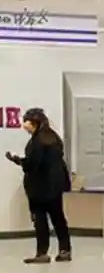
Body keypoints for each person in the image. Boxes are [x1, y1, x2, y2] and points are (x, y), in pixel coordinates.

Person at [5, 108, 72, 264]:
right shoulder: (53, 138)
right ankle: (65, 250)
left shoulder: (37, 141)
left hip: (39, 188)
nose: (24, 124)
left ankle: (42, 253)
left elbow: (32, 164)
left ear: (34, 123)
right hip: (55, 186)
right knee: (58, 218)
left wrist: (19, 161)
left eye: (26, 121)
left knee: (40, 220)